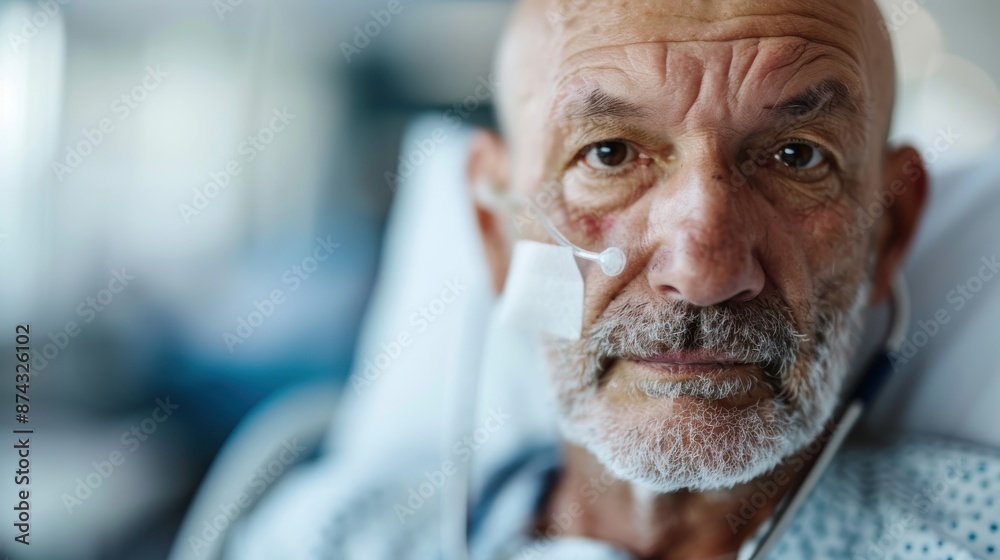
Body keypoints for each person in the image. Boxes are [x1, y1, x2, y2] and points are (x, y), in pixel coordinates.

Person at [225, 1, 1000, 558]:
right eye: (608, 154)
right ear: (495, 232)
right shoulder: (320, 539)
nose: (702, 271)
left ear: (890, 230)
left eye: (797, 156)